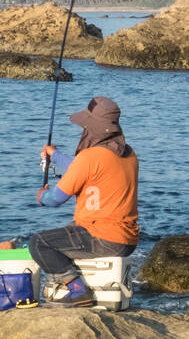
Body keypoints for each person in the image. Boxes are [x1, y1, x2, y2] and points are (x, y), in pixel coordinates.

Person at [29, 96, 139, 307]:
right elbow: (83, 168)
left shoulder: (89, 157)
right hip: (127, 240)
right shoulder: (129, 153)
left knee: (39, 243)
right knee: (67, 232)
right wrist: (56, 155)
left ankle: (77, 289)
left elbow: (55, 200)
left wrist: (42, 196)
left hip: (103, 239)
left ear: (92, 127)